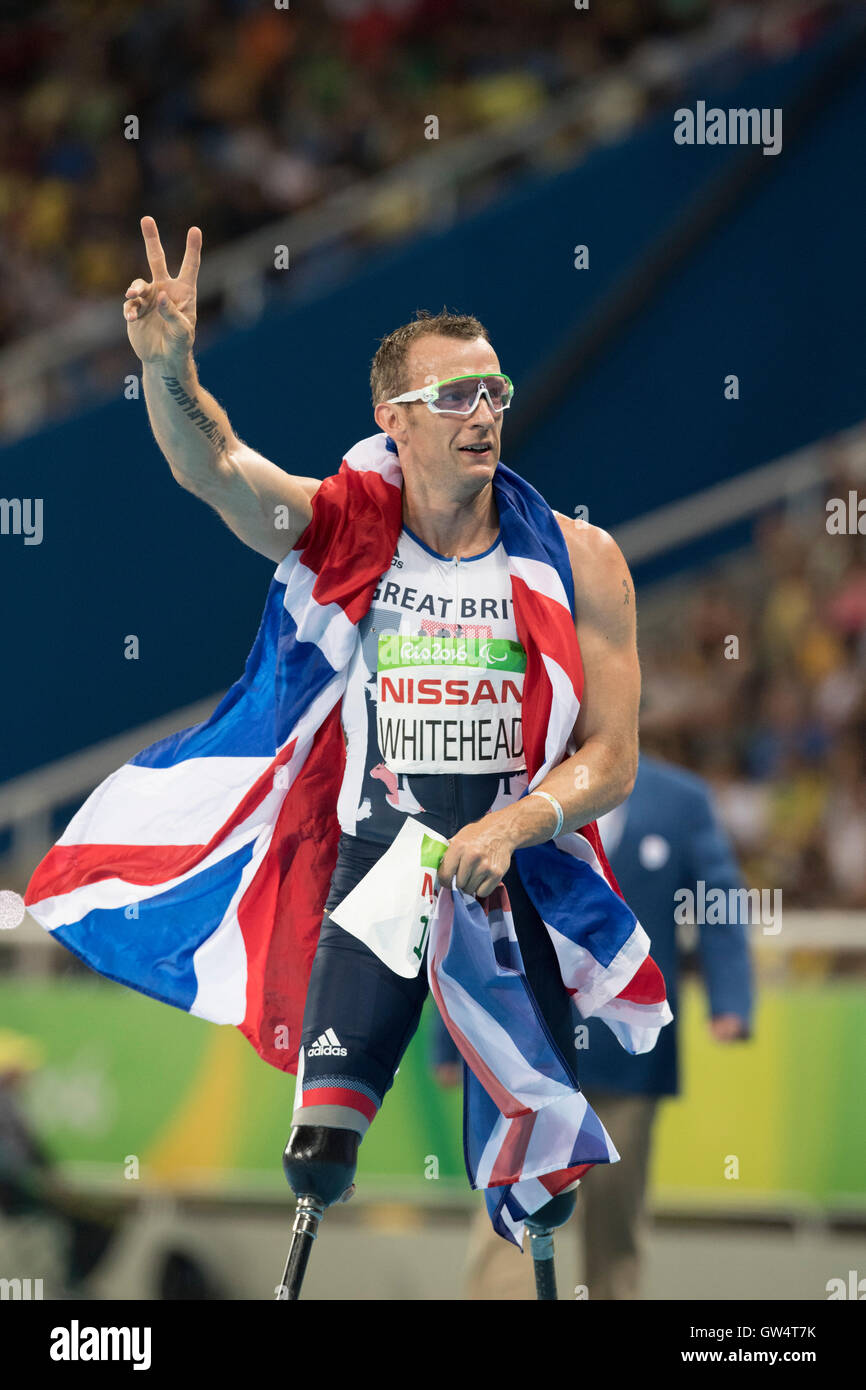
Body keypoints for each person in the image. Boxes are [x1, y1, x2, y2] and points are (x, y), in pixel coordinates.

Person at [120, 214, 647, 1241]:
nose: (482, 412)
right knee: (316, 1161)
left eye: (493, 389)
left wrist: (514, 824)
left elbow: (613, 757)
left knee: (544, 1193)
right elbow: (215, 467)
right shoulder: (343, 533)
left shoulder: (584, 560)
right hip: (382, 866)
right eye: (453, 394)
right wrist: (167, 370)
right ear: (391, 420)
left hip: (519, 874)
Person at [432, 750, 754, 1298]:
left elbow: (719, 900)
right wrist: (449, 1041)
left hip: (629, 1053)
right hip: (525, 1048)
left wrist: (732, 999)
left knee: (615, 1223)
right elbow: (464, 912)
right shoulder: (509, 795)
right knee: (513, 1217)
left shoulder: (681, 800)